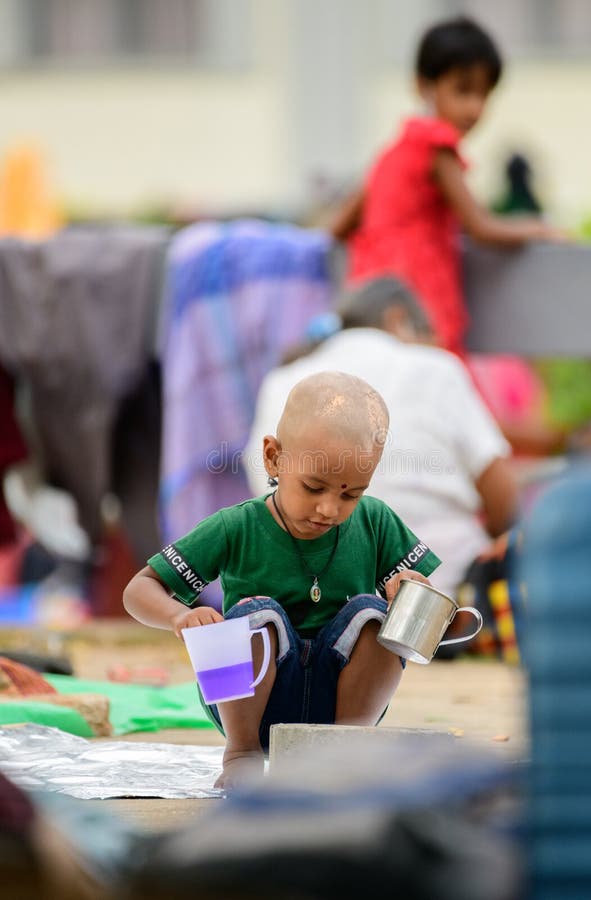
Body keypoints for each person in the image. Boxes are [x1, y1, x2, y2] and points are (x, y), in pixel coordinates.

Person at [123, 372, 440, 789]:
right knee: (254, 615)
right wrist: (179, 617)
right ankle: (241, 754)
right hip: (248, 705)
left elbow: (427, 610)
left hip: (341, 704)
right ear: (273, 458)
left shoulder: (376, 521)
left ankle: (348, 753)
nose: (329, 508)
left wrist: (411, 592)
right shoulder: (236, 526)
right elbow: (139, 590)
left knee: (376, 616)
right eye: (314, 487)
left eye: (350, 494)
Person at [244, 277, 518, 600]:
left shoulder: (283, 379)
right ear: (398, 319)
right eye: (429, 335)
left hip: (306, 596)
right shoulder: (437, 369)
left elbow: (262, 487)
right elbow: (502, 496)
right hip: (442, 588)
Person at [329, 16, 562, 357]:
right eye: (463, 90)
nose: (475, 108)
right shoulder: (437, 146)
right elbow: (481, 226)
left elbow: (338, 227)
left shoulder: (393, 152)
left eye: (484, 94)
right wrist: (539, 229)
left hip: (372, 298)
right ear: (425, 86)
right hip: (418, 298)